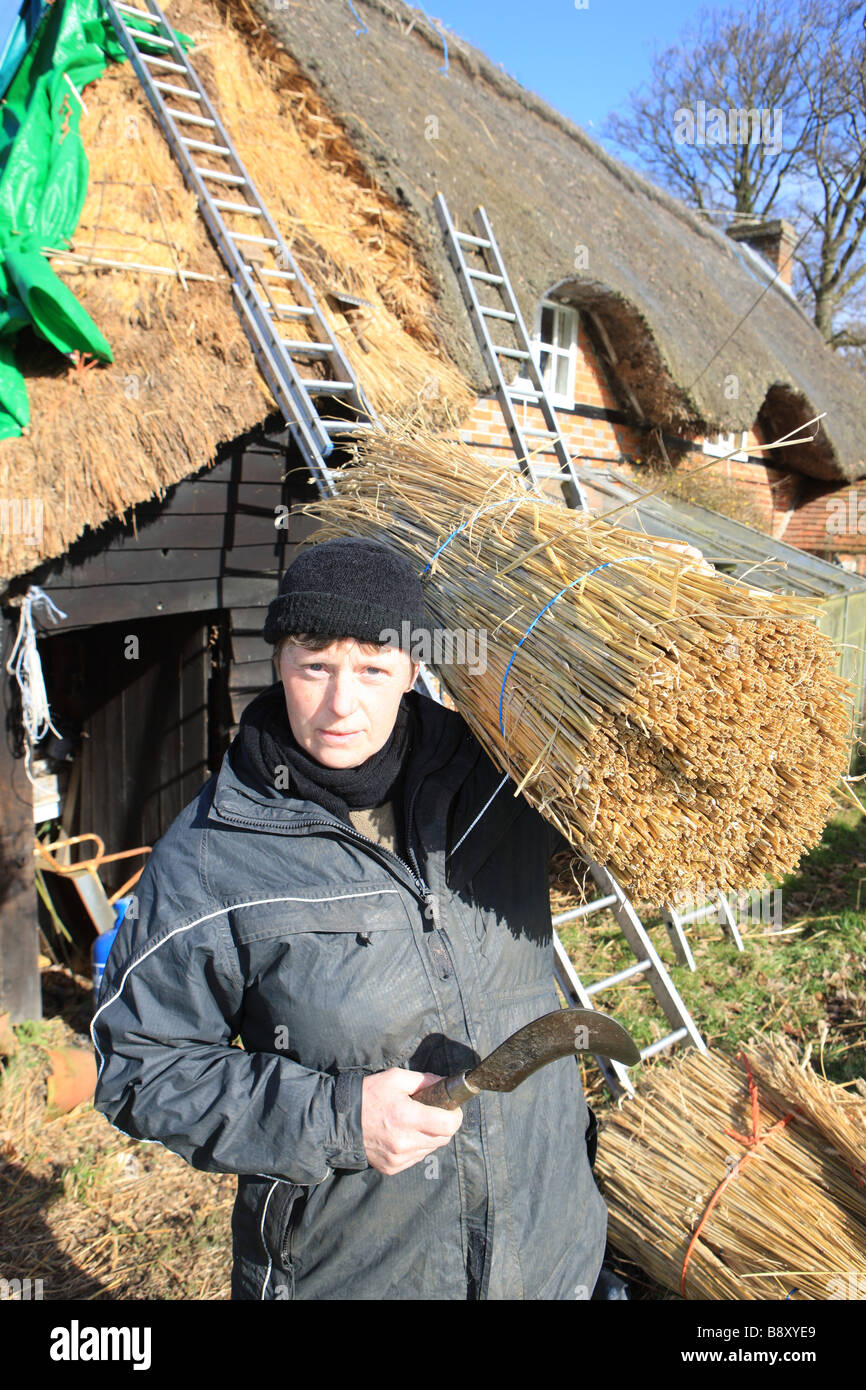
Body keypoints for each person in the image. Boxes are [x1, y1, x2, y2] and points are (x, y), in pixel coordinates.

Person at [92, 535, 607, 1300]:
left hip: (555, 1252)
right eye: (315, 665)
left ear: (413, 669)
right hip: (358, 1274)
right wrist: (335, 1118)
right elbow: (137, 1063)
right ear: (279, 664)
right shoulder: (211, 855)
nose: (342, 704)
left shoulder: (502, 780)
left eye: (372, 667)